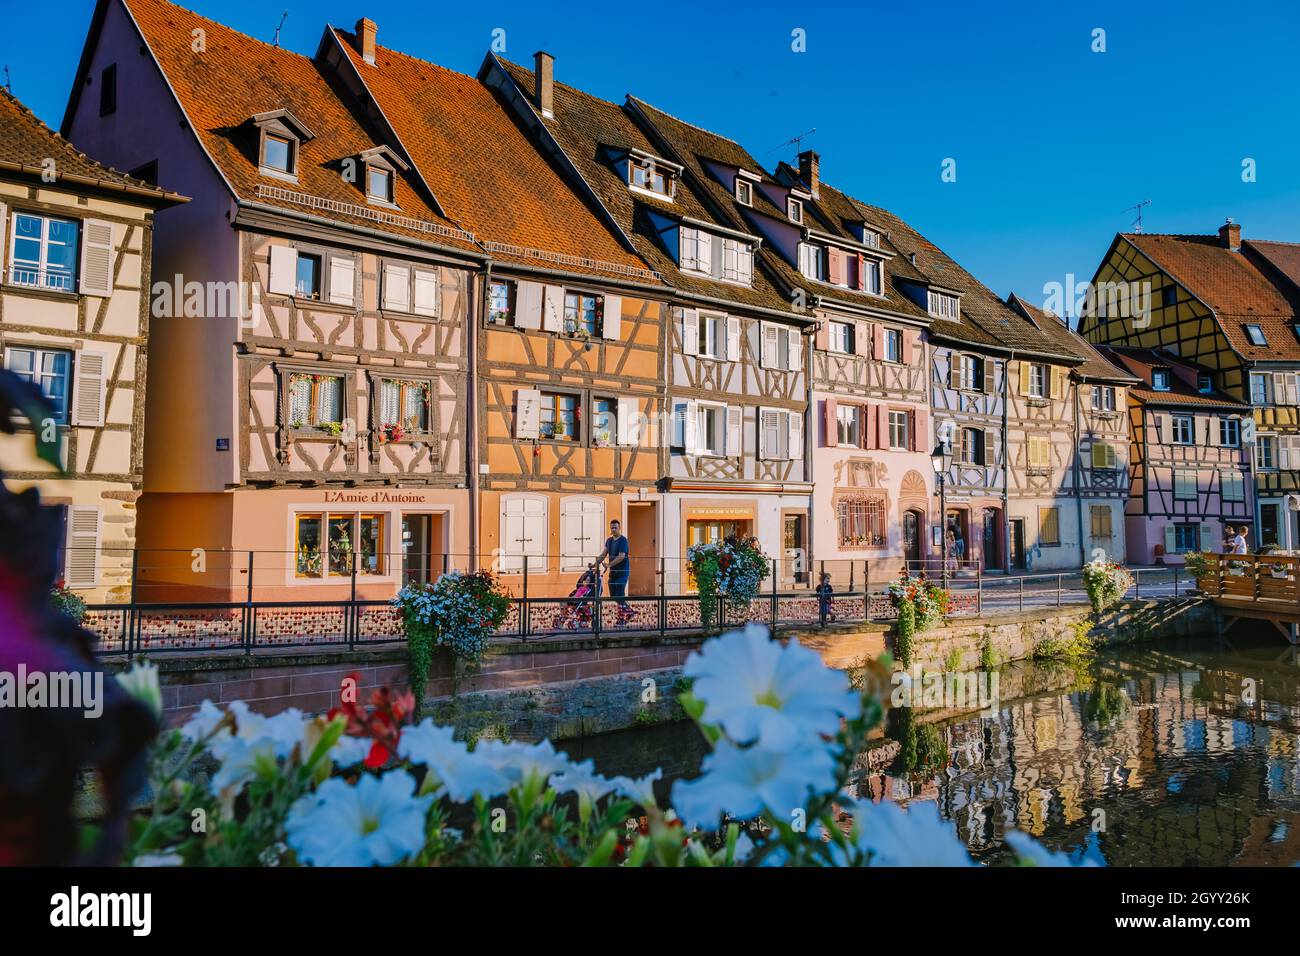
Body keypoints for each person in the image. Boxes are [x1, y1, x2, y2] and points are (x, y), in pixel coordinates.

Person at [596, 519, 631, 613]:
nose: (614, 529)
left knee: (619, 595)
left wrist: (609, 564)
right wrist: (595, 564)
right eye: (612, 528)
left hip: (622, 572)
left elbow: (621, 556)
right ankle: (628, 612)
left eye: (615, 527)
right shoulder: (609, 540)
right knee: (613, 596)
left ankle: (626, 614)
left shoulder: (623, 540)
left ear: (619, 528)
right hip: (613, 573)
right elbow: (603, 554)